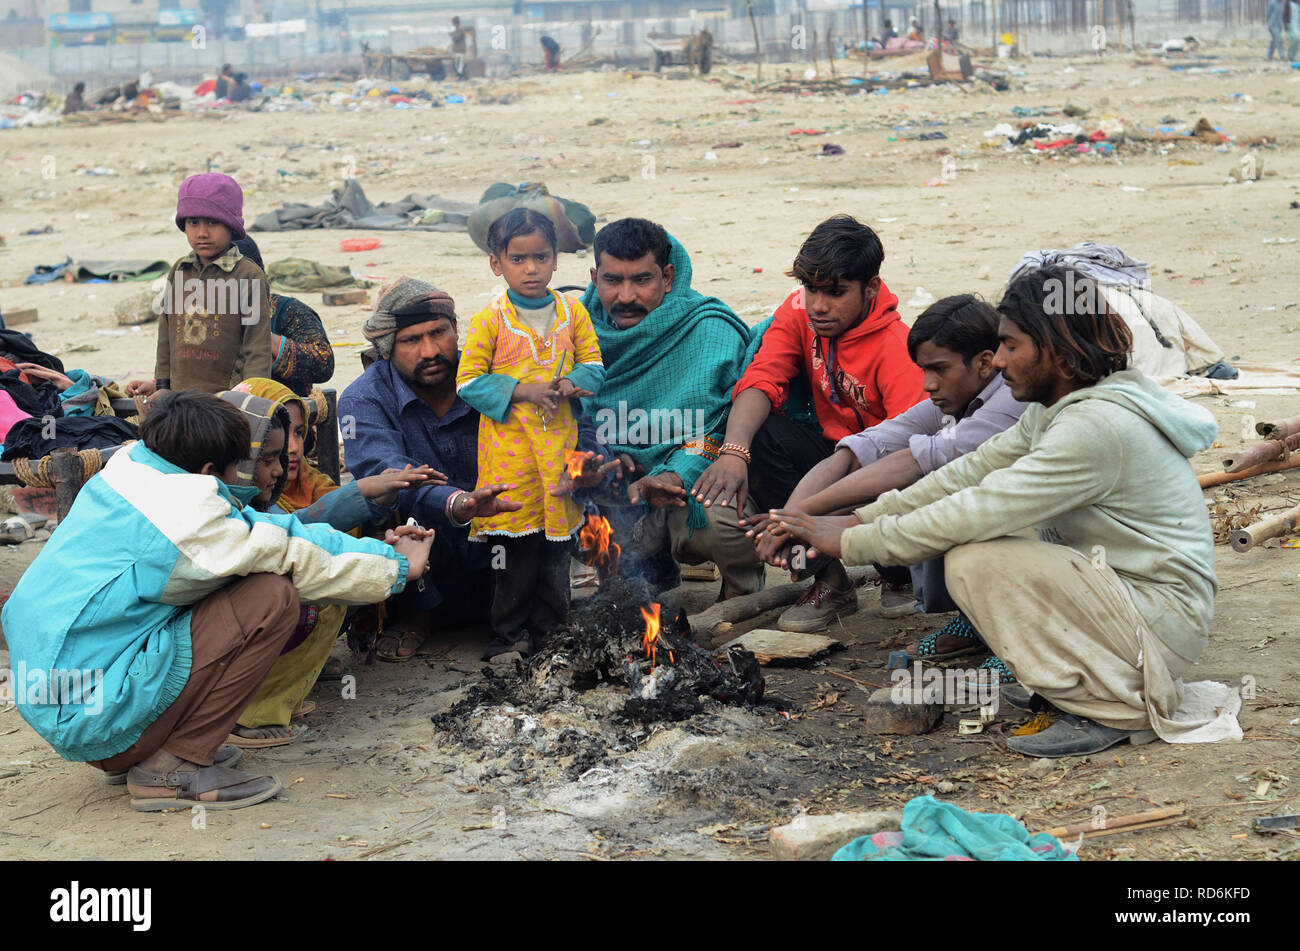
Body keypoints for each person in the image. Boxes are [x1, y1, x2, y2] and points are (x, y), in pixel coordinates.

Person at [763, 265, 1221, 758]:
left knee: (974, 557)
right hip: (1131, 599)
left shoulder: (1093, 427)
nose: (999, 361)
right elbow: (964, 476)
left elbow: (976, 508)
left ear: (1059, 351)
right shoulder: (1057, 409)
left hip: (1161, 622)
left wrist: (850, 543)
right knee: (984, 535)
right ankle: (1078, 682)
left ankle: (1116, 709)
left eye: (1011, 345)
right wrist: (855, 521)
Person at [0, 390, 434, 810]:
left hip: (65, 703)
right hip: (92, 720)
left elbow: (273, 532)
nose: (271, 470)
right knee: (272, 596)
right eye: (252, 463)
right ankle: (173, 767)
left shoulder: (132, 468)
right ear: (210, 469)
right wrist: (397, 566)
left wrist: (379, 550)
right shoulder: (188, 520)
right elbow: (291, 554)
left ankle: (152, 749)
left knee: (241, 584)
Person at [691, 214, 924, 620]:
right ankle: (830, 582)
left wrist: (802, 518)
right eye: (811, 288)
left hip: (885, 470)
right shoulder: (799, 312)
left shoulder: (897, 347)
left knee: (895, 492)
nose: (818, 305)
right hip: (832, 457)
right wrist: (733, 452)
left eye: (835, 292)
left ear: (871, 288)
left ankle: (900, 575)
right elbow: (763, 377)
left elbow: (910, 461)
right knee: (757, 432)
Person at [750, 295, 1026, 636]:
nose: (928, 384)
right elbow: (856, 451)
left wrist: (796, 520)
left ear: (985, 363)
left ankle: (1011, 630)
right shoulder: (951, 398)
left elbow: (911, 461)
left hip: (1043, 538)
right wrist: (790, 519)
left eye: (939, 369)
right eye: (925, 371)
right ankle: (975, 622)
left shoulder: (1009, 402)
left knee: (935, 497)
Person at [219, 381, 442, 745]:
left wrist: (378, 539)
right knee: (309, 594)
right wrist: (393, 561)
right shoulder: (222, 507)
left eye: (299, 434)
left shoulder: (268, 492)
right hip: (195, 646)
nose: (291, 451)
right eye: (268, 454)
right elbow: (300, 545)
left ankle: (273, 695)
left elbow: (302, 535)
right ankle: (253, 710)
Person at [566, 217, 765, 600]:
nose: (625, 296)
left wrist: (675, 474)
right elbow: (561, 418)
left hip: (680, 480)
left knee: (714, 518)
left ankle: (743, 594)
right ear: (594, 276)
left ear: (668, 276)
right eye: (612, 280)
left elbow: (717, 428)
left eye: (642, 280)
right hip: (609, 485)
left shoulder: (708, 330)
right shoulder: (571, 330)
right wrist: (601, 458)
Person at [340, 277, 526, 662]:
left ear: (456, 330)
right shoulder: (363, 399)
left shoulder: (490, 379)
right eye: (411, 341)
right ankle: (419, 612)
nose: (430, 351)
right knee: (383, 502)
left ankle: (513, 616)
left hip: (500, 526)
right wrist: (457, 503)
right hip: (424, 534)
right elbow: (388, 473)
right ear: (388, 349)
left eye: (439, 333)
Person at [455, 209, 604, 663]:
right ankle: (508, 636)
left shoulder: (572, 312)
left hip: (559, 453)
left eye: (541, 257)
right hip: (511, 459)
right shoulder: (491, 320)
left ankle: (552, 633)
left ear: (557, 259)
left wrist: (572, 383)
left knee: (555, 552)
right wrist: (521, 390)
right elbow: (468, 382)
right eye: (518, 259)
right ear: (496, 264)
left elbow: (595, 365)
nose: (531, 268)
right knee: (514, 555)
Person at [125, 173, 272, 400]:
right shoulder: (180, 270)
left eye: (212, 222)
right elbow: (166, 335)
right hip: (179, 397)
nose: (202, 233)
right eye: (193, 222)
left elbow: (257, 348)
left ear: (231, 225)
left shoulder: (247, 275)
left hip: (227, 399)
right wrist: (162, 385)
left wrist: (250, 400)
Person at [233, 237, 334, 396]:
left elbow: (323, 363)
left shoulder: (288, 311)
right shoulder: (199, 315)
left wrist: (261, 337)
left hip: (285, 413)